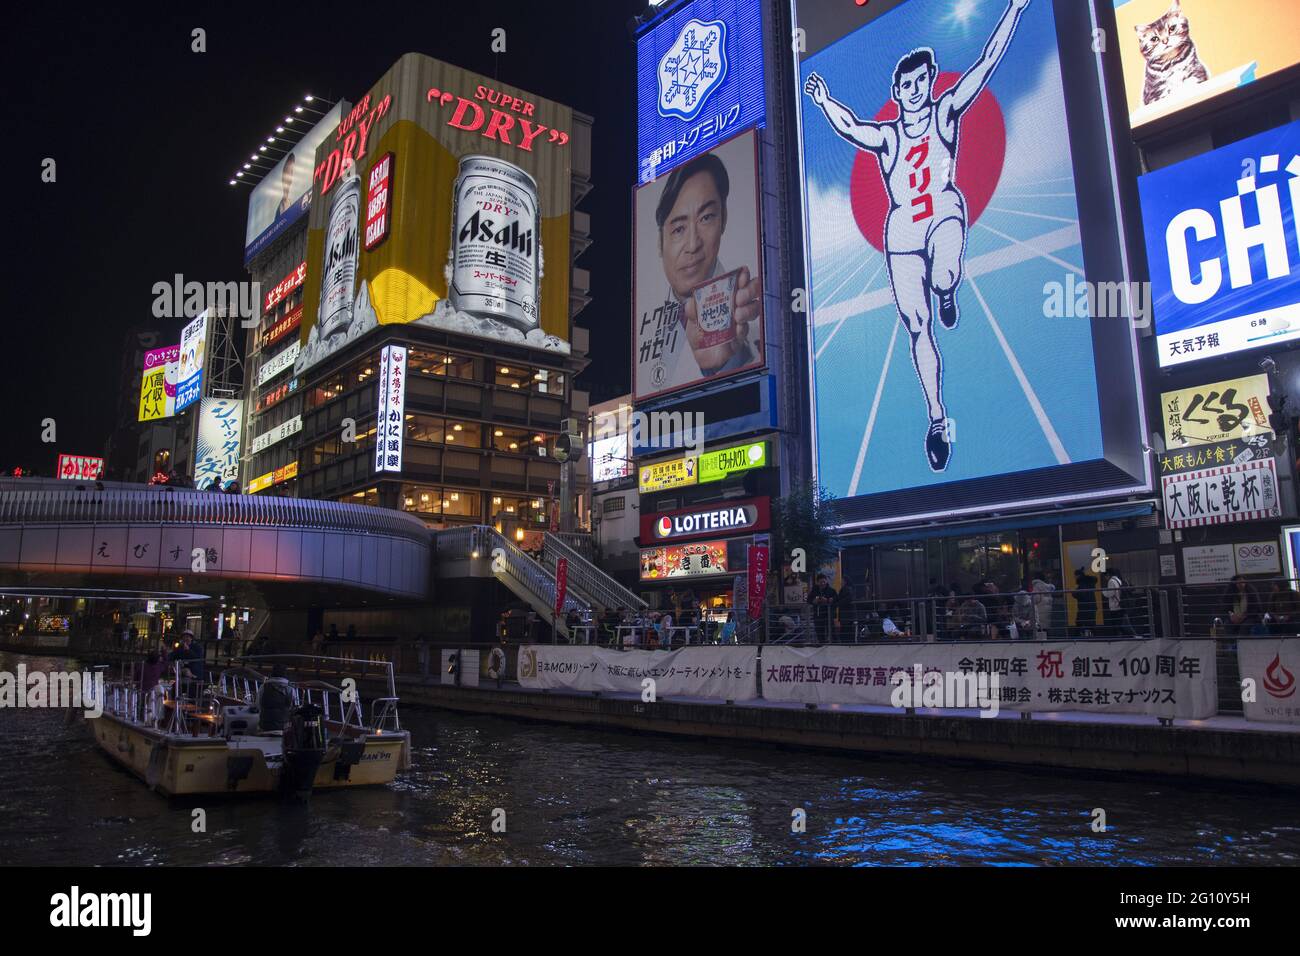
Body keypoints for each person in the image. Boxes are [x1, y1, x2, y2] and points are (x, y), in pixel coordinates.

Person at [804, 0, 1032, 472]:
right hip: (902, 232)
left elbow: (986, 63)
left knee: (946, 272)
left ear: (930, 82)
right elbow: (852, 129)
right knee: (916, 324)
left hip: (944, 211)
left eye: (920, 82)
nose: (913, 91)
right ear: (897, 89)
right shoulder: (889, 138)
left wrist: (1013, 9)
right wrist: (825, 102)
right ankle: (936, 418)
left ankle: (947, 289)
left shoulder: (946, 112)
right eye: (905, 85)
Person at [645, 153, 762, 389]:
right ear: (660, 242)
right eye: (678, 229)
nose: (692, 244)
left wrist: (725, 364)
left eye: (706, 217)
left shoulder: (749, 320)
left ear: (724, 219)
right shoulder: (649, 329)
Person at [257, 663, 294, 734]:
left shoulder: (263, 687)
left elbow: (258, 705)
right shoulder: (290, 689)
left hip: (265, 726)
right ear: (285, 674)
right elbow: (291, 707)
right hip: (284, 727)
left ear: (272, 673)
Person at [1104, 565, 1139, 638]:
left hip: (1115, 606)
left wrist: (1103, 592)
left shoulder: (1111, 581)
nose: (1105, 578)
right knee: (1123, 622)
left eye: (1105, 576)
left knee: (1119, 624)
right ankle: (1131, 635)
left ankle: (1130, 636)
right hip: (1121, 604)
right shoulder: (1118, 580)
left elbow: (1110, 593)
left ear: (1108, 575)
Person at [808, 573, 836, 643]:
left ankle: (834, 644)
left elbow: (836, 599)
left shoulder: (831, 590)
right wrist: (814, 601)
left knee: (831, 631)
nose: (823, 583)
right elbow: (808, 600)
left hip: (828, 614)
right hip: (818, 615)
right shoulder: (814, 590)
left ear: (826, 581)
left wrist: (828, 600)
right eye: (821, 582)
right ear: (817, 582)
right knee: (819, 632)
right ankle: (821, 644)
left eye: (824, 581)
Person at [1074, 567, 1098, 637]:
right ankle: (1094, 637)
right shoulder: (1090, 582)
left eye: (1075, 576)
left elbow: (1081, 595)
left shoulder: (1082, 584)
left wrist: (1073, 593)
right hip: (1092, 606)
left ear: (1078, 576)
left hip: (1084, 607)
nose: (1074, 577)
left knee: (1079, 622)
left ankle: (1080, 637)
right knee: (1091, 623)